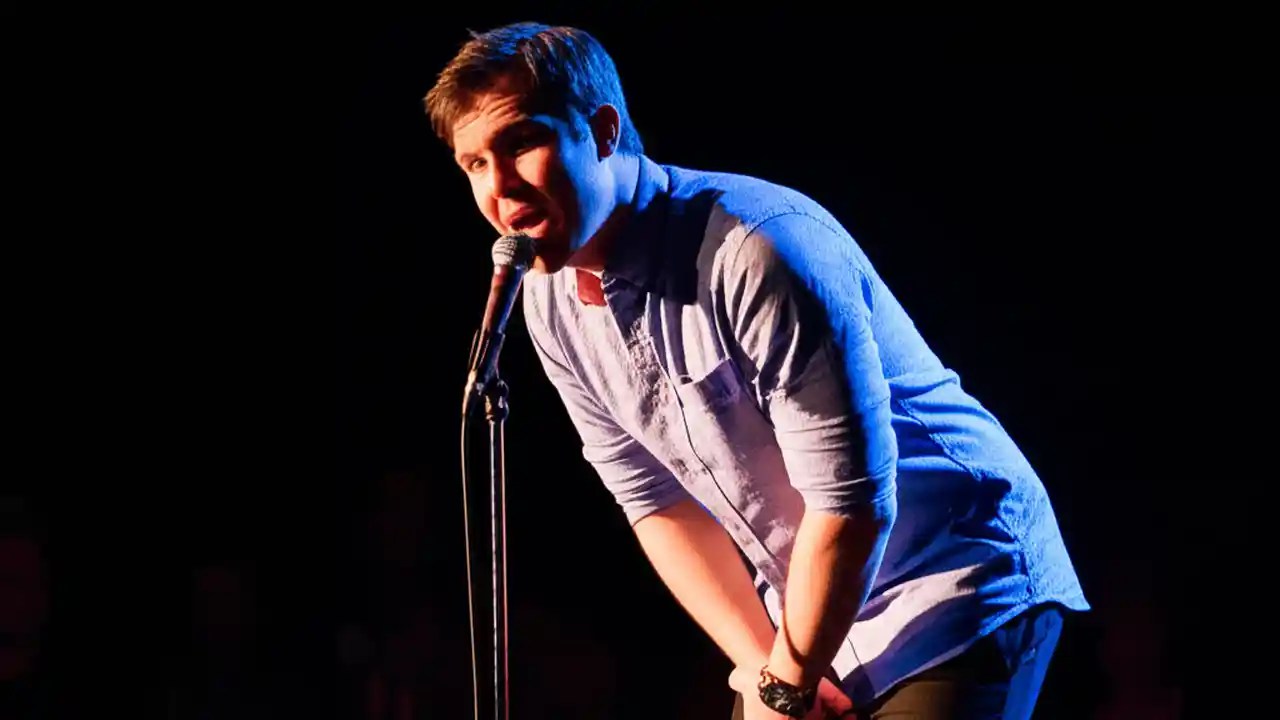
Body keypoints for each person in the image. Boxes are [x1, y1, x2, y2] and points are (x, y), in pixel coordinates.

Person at [423, 21, 1089, 719]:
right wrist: (762, 666)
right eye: (474, 165)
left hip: (953, 581)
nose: (501, 189)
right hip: (814, 615)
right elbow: (654, 502)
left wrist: (788, 680)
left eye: (522, 142)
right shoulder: (549, 304)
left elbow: (855, 500)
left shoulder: (755, 249)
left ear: (604, 130)